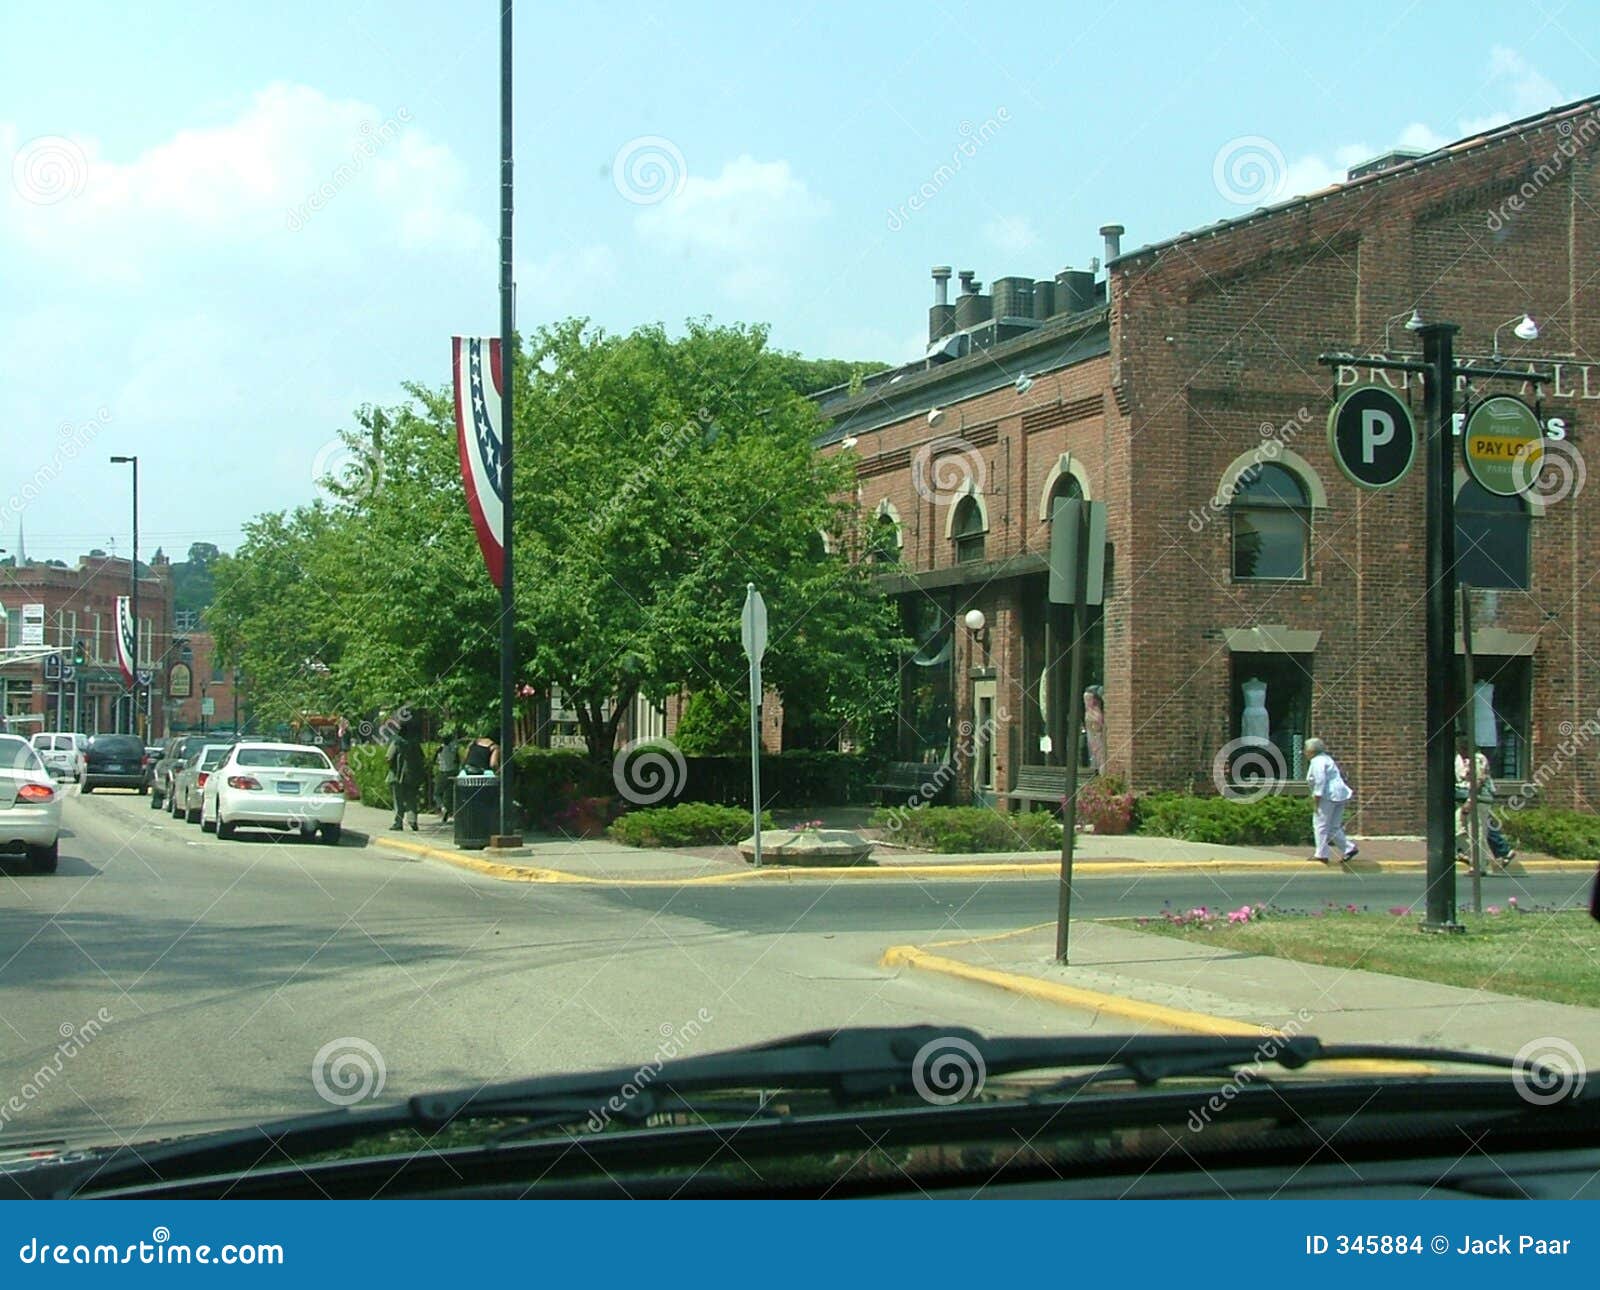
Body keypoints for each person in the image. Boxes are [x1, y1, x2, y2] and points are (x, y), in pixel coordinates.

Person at [1456, 738, 1514, 867]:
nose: (1459, 752)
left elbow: (1479, 781)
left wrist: (1470, 800)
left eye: (1460, 749)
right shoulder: (1465, 759)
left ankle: (1478, 864)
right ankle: (1470, 855)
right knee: (1465, 829)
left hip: (1478, 798)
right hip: (1465, 797)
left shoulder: (1477, 759)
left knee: (1477, 832)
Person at [1303, 737, 1357, 864]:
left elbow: (1320, 781)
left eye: (1306, 750)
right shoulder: (1327, 759)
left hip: (1328, 796)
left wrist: (1316, 799)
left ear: (1311, 751)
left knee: (1320, 824)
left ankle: (1321, 854)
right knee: (1333, 826)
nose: (1305, 753)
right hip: (1340, 794)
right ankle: (1349, 848)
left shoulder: (1317, 761)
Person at [386, 719, 426, 831]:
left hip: (397, 776)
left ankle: (398, 823)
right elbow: (422, 758)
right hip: (413, 775)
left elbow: (388, 758)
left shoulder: (397, 741)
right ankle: (413, 821)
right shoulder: (415, 743)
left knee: (398, 801)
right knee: (412, 799)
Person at [434, 732, 461, 821]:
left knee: (437, 793)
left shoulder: (441, 749)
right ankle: (451, 811)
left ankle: (442, 808)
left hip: (443, 772)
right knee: (449, 794)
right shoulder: (453, 748)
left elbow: (434, 760)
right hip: (453, 772)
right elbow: (457, 760)